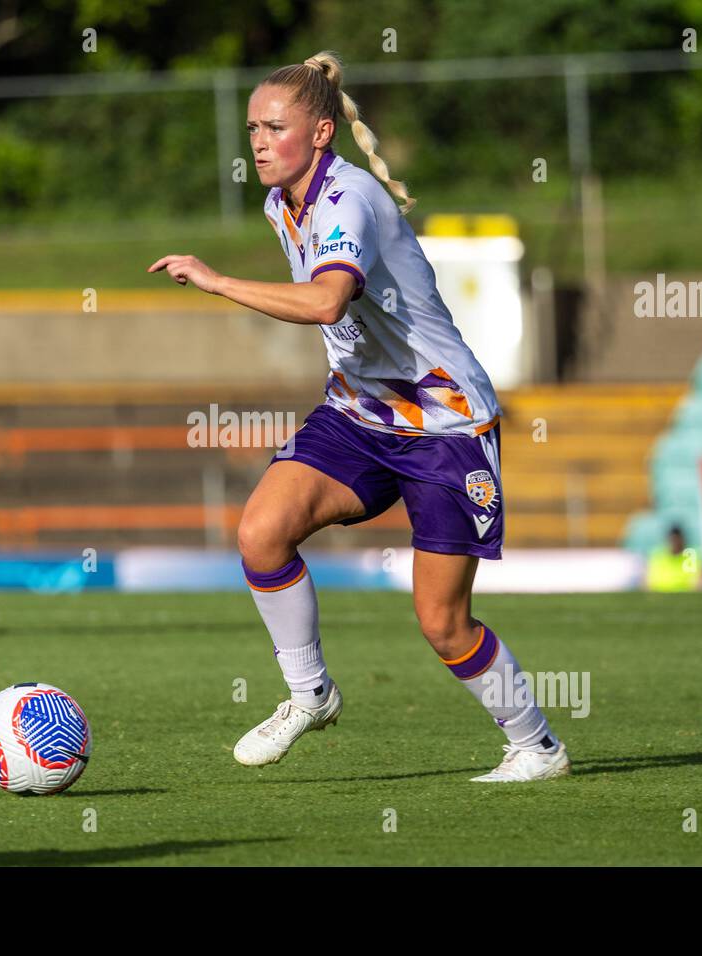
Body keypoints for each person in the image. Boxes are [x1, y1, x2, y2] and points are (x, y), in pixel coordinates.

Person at [149, 51, 568, 781]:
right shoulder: (281, 203)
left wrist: (216, 281)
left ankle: (537, 746)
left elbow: (325, 302)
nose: (257, 142)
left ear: (319, 134)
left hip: (445, 425)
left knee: (443, 624)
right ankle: (310, 694)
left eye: (273, 127)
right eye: (251, 127)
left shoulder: (351, 199)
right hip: (359, 414)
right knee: (260, 532)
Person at [645, 524, 702, 592]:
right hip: (661, 596)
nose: (675, 543)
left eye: (677, 539)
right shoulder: (657, 555)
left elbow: (698, 584)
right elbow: (648, 583)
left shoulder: (691, 556)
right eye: (673, 539)